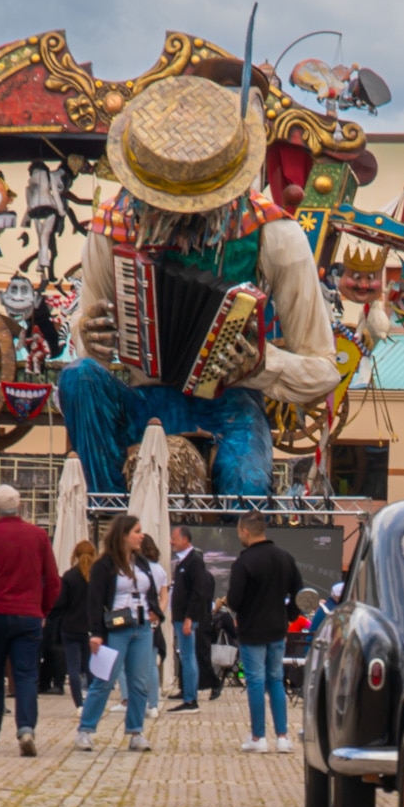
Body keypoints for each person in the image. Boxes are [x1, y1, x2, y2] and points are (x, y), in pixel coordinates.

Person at [58, 75, 338, 500]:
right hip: (141, 399)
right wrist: (88, 336)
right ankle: (108, 515)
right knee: (79, 379)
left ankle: (232, 551)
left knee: (244, 486)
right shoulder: (110, 229)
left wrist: (260, 366)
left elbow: (323, 370)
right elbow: (85, 342)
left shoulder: (275, 235)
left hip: (230, 403)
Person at [0, 483, 60, 756]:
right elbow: (53, 580)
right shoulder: (39, 536)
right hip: (29, 614)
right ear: (20, 507)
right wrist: (43, 608)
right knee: (27, 675)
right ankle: (26, 729)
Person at [76, 512, 160, 752]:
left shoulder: (141, 562)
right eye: (136, 531)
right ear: (123, 535)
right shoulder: (104, 565)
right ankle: (85, 729)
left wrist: (156, 611)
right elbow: (95, 600)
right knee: (104, 680)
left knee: (139, 682)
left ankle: (135, 732)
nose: (141, 535)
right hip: (117, 627)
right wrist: (96, 632)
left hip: (142, 627)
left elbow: (150, 592)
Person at [226, 513, 302, 754]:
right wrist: (289, 615)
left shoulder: (244, 562)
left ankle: (258, 737)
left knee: (256, 681)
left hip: (252, 630)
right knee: (276, 680)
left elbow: (235, 601)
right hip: (278, 628)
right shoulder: (285, 557)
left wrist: (235, 606)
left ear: (246, 532)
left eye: (239, 532)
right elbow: (300, 593)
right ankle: (283, 737)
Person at [168, 522, 214, 716]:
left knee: (188, 656)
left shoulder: (194, 561)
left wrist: (188, 618)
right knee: (186, 656)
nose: (171, 542)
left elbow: (197, 591)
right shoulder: (182, 562)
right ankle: (188, 694)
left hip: (186, 618)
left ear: (185, 540)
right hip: (180, 616)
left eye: (174, 538)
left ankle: (190, 699)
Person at [57, 539, 95, 710]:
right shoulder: (97, 576)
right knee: (91, 667)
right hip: (91, 627)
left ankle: (79, 705)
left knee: (73, 668)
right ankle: (94, 702)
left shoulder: (69, 575)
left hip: (70, 625)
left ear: (75, 555)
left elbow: (61, 602)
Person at [140, 533, 169, 718]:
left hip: (136, 618)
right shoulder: (160, 570)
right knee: (151, 663)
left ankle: (138, 701)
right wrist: (158, 613)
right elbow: (164, 596)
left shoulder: (134, 567)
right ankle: (153, 704)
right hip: (152, 619)